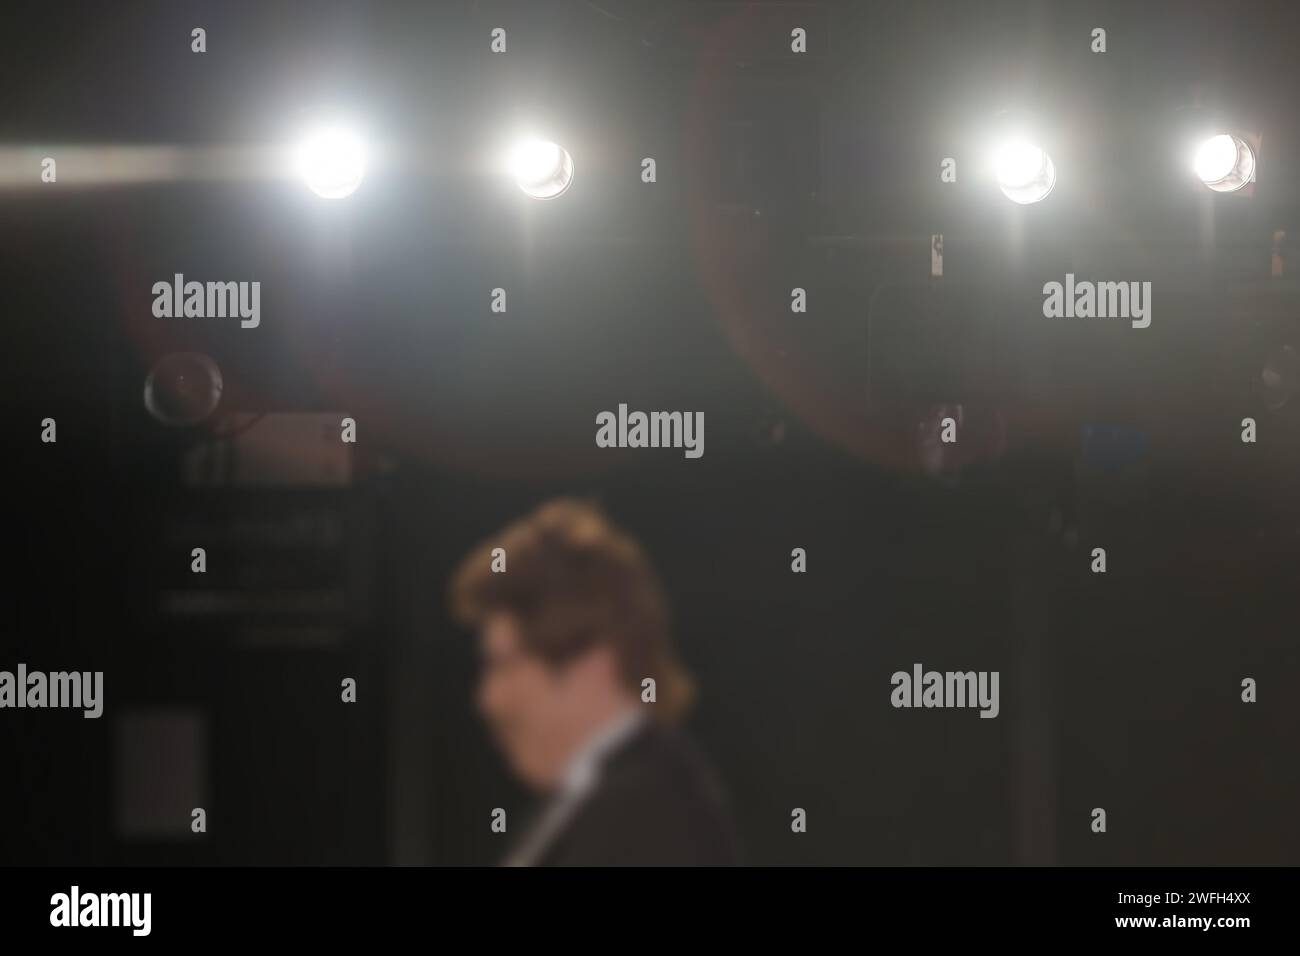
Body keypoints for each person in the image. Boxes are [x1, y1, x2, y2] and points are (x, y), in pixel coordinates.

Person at [450, 498, 739, 866]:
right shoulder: (605, 801)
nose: (488, 698)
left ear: (592, 662)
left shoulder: (648, 819)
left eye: (504, 666)